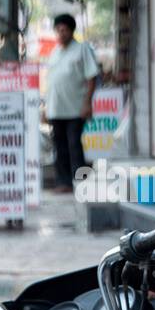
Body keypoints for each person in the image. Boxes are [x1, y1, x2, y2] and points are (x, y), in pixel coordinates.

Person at [45, 14, 99, 194]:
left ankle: (80, 183)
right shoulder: (54, 52)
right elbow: (51, 81)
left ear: (71, 31)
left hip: (76, 108)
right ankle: (63, 182)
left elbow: (91, 77)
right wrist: (46, 107)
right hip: (55, 109)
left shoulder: (82, 49)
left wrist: (87, 103)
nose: (61, 33)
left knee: (74, 145)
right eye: (58, 30)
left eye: (64, 29)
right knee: (59, 148)